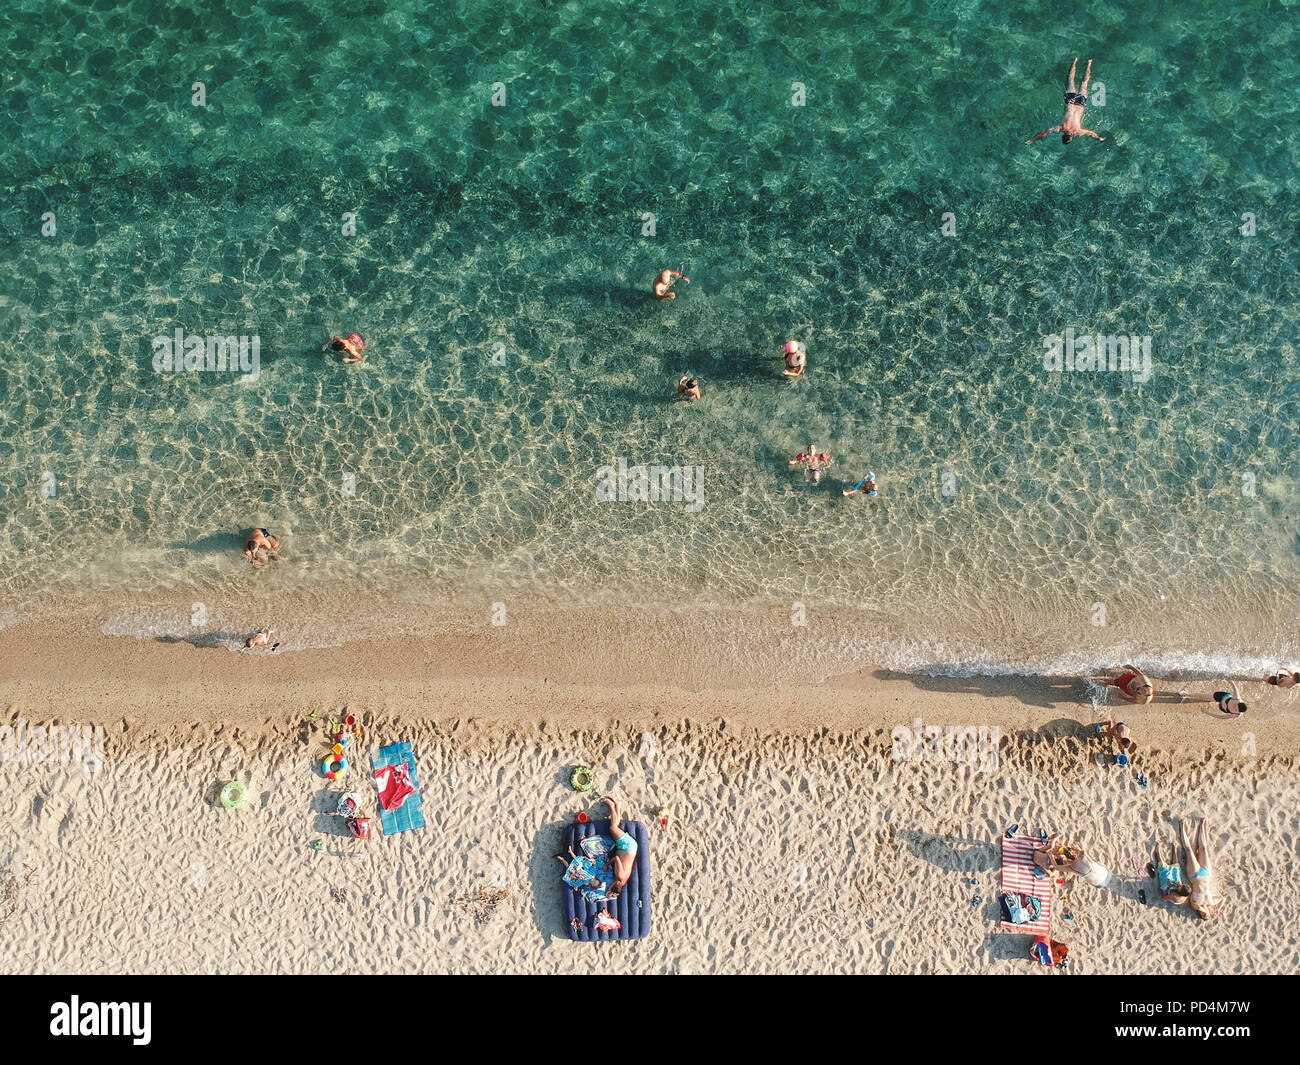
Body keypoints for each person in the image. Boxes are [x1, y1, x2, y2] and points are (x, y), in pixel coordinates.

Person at [1025, 58, 1105, 145]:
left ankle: (1089, 63)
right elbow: (1044, 133)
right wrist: (1032, 140)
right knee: (1071, 79)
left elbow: (1091, 134)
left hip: (1080, 103)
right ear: (1063, 136)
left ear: (1072, 137)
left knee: (1084, 83)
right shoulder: (1061, 128)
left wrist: (1099, 138)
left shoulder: (1077, 131)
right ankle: (1075, 61)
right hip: (1070, 101)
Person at [1179, 817, 1223, 920]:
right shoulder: (1211, 902)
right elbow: (1222, 898)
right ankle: (1203, 825)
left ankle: (1182, 826)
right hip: (1206, 873)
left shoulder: (1195, 905)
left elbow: (1200, 908)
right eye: (1206, 914)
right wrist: (1218, 909)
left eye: (1203, 915)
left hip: (1195, 876)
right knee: (1203, 848)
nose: (1205, 913)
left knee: (1189, 850)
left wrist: (1205, 912)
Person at [1179, 688, 1247, 716]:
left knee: (1206, 699)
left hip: (1222, 708)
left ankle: (1210, 700)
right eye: (1235, 705)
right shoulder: (1238, 699)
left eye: (1235, 709)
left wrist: (1207, 713)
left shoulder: (1237, 715)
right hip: (1222, 697)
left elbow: (1221, 717)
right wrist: (1230, 679)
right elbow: (1235, 688)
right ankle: (1187, 694)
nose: (1234, 707)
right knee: (1202, 696)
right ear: (1238, 703)